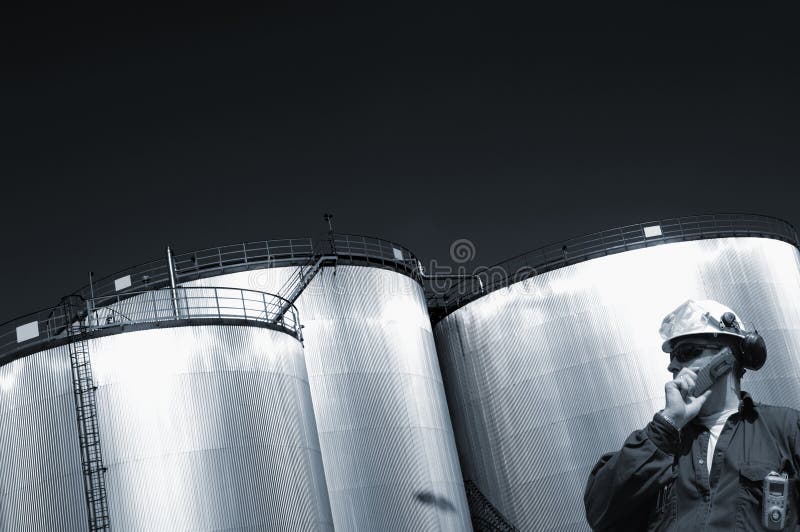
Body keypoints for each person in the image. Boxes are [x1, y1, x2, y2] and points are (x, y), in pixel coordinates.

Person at [584, 299, 800, 531]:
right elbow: (600, 512)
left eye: (687, 352)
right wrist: (666, 427)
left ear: (725, 357)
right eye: (672, 356)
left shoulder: (786, 430)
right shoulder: (659, 445)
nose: (673, 365)